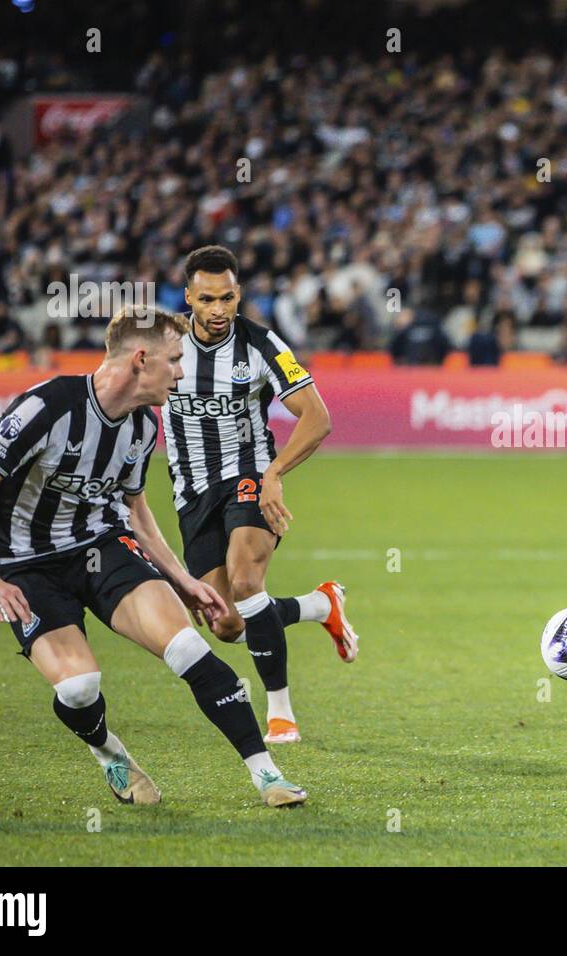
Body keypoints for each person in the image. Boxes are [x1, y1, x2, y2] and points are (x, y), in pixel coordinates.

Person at [0, 306, 307, 807]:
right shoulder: (46, 408)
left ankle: (268, 776)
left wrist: (181, 578)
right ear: (141, 359)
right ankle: (110, 753)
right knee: (79, 687)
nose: (182, 371)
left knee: (188, 648)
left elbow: (135, 510)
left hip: (100, 545)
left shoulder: (141, 428)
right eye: (175, 360)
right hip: (27, 565)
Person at [166, 245, 358, 746]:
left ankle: (280, 714)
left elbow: (318, 418)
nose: (217, 310)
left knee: (248, 582)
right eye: (206, 299)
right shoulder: (162, 344)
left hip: (250, 476)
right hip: (191, 492)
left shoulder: (260, 343)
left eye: (227, 298)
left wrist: (273, 473)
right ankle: (319, 606)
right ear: (188, 297)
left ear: (238, 295)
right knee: (225, 622)